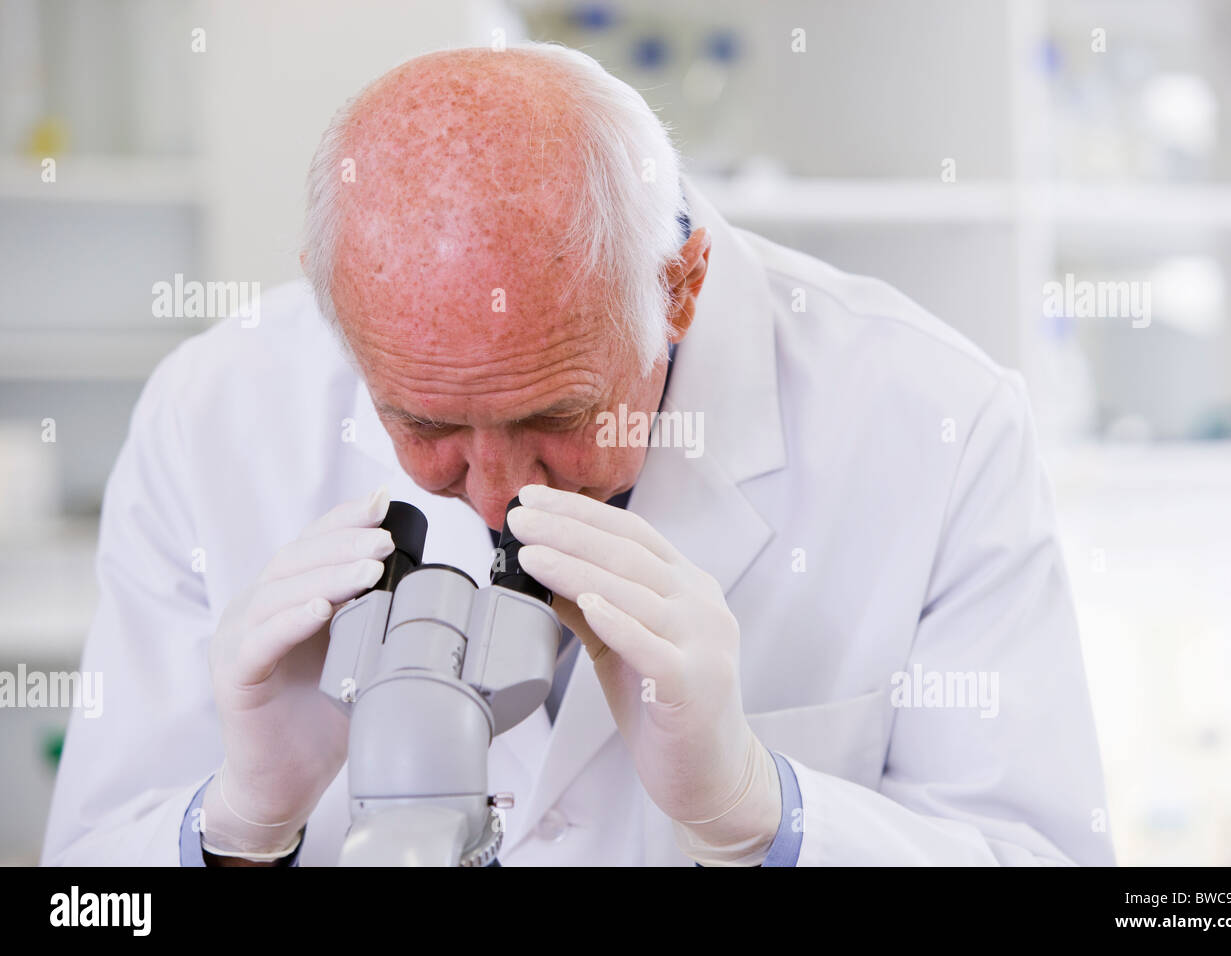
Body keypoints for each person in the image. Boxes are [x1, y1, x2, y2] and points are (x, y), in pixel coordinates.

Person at [42, 43, 1114, 867]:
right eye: (426, 425)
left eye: (557, 409)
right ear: (346, 323)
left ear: (680, 286)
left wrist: (765, 812)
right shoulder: (211, 411)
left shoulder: (937, 419)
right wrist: (232, 821)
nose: (500, 487)